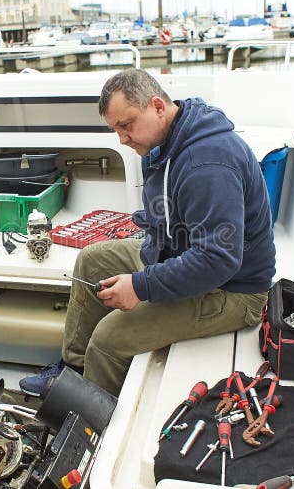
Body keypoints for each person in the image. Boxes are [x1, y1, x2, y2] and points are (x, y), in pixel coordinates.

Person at [19, 69, 276, 397]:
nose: (122, 139)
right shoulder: (165, 141)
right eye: (115, 130)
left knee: (108, 340)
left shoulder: (207, 164)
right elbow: (164, 215)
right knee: (92, 260)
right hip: (178, 253)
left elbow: (217, 259)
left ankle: (90, 426)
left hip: (232, 289)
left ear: (157, 106)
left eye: (126, 126)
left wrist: (141, 286)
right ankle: (74, 371)